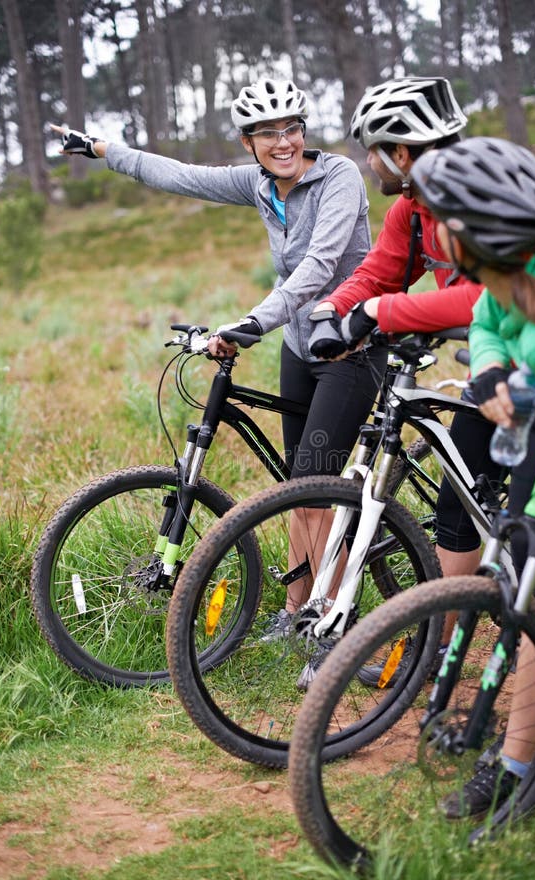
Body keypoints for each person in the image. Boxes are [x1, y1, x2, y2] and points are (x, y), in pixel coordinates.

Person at [51, 78, 387, 685]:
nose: (283, 142)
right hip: (298, 346)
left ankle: (336, 630)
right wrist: (102, 148)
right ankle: (295, 612)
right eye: (268, 133)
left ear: (304, 132)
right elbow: (178, 174)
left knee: (316, 486)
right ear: (249, 142)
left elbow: (317, 267)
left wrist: (252, 322)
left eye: (292, 129)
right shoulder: (259, 185)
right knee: (297, 485)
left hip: (350, 349)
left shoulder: (338, 177)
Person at [410, 135, 535, 818]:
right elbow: (484, 323)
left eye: (440, 218)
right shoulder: (511, 269)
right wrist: (485, 371)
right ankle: (513, 764)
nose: (431, 229)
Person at [307, 76, 484, 658]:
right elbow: (380, 272)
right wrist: (335, 307)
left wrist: (382, 312)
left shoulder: (479, 198)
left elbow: (491, 299)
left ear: (402, 153)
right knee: (459, 506)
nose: (367, 161)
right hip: (500, 361)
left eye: (372, 148)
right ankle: (445, 646)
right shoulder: (412, 209)